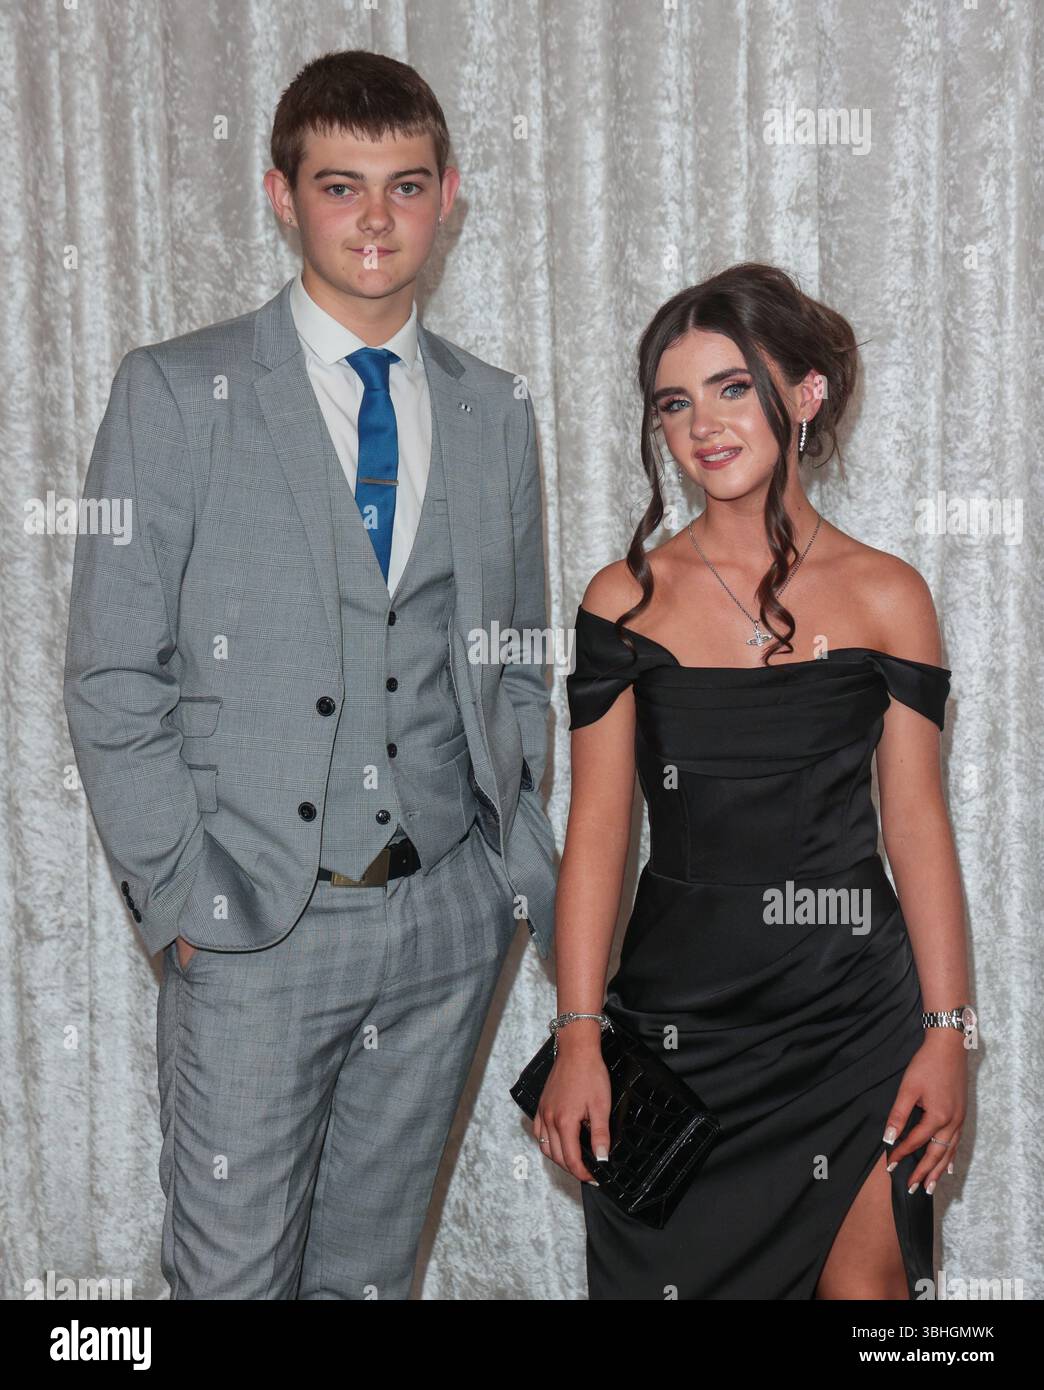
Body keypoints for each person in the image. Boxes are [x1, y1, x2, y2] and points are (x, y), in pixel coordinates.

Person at [62, 48, 557, 1299]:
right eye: (341, 186)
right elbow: (115, 674)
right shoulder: (176, 392)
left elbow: (511, 663)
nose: (375, 217)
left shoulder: (498, 410)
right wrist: (182, 905)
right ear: (283, 197)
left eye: (403, 184)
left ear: (448, 194)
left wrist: (509, 874)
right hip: (253, 922)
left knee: (369, 1279)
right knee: (228, 1279)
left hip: (447, 920)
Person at [535, 262, 974, 1299]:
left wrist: (949, 1034)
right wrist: (578, 1034)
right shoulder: (623, 600)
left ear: (805, 392)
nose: (704, 425)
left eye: (734, 387)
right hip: (676, 1033)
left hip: (851, 1022)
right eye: (675, 402)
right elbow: (598, 832)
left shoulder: (888, 596)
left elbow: (918, 828)